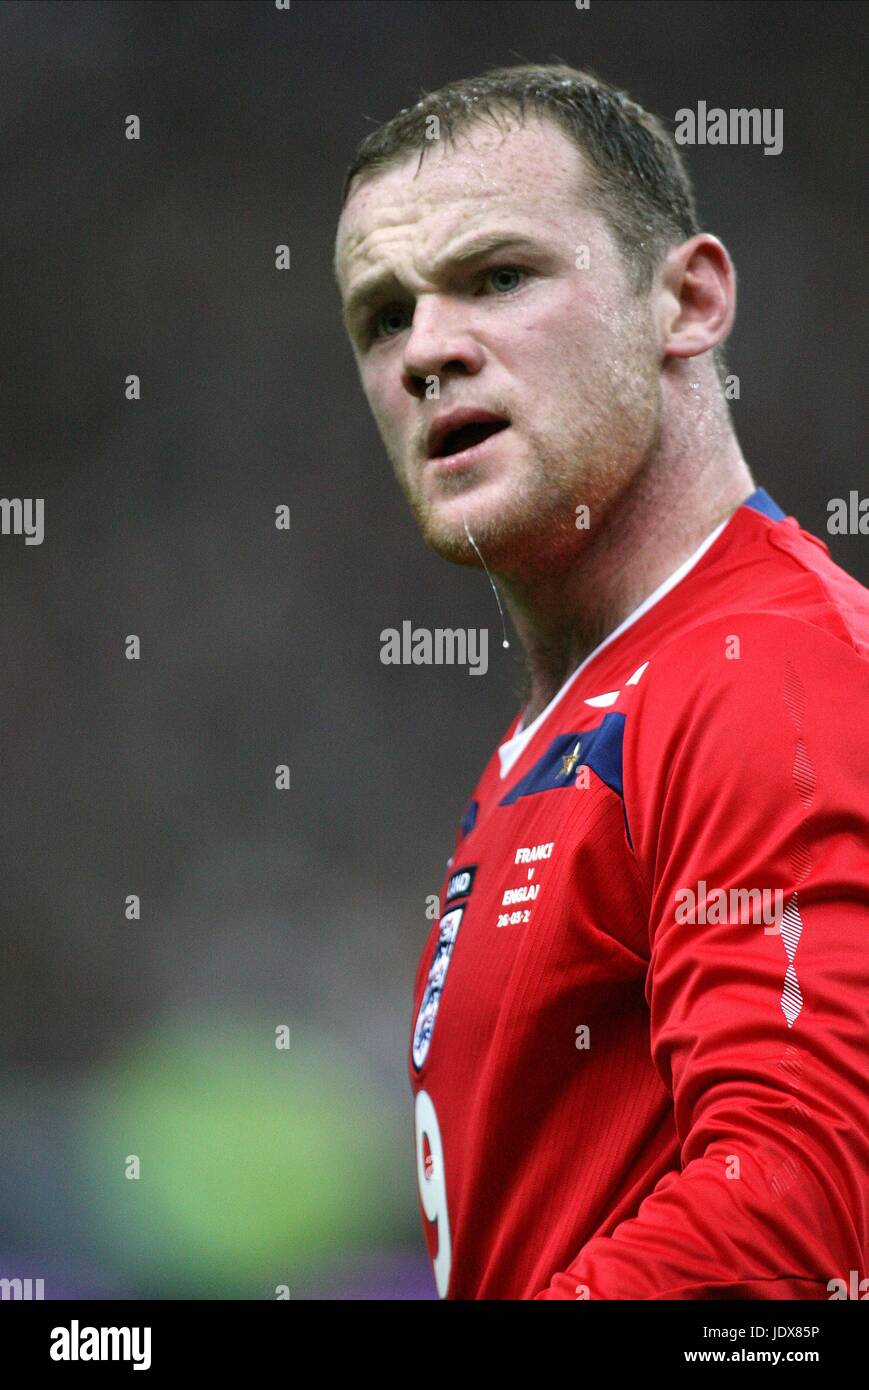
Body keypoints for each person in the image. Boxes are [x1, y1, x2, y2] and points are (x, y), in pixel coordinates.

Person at [333, 64, 869, 1300]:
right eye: (381, 315)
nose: (425, 349)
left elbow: (804, 1215)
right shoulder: (572, 718)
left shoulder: (772, 672)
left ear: (684, 298)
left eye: (497, 277)